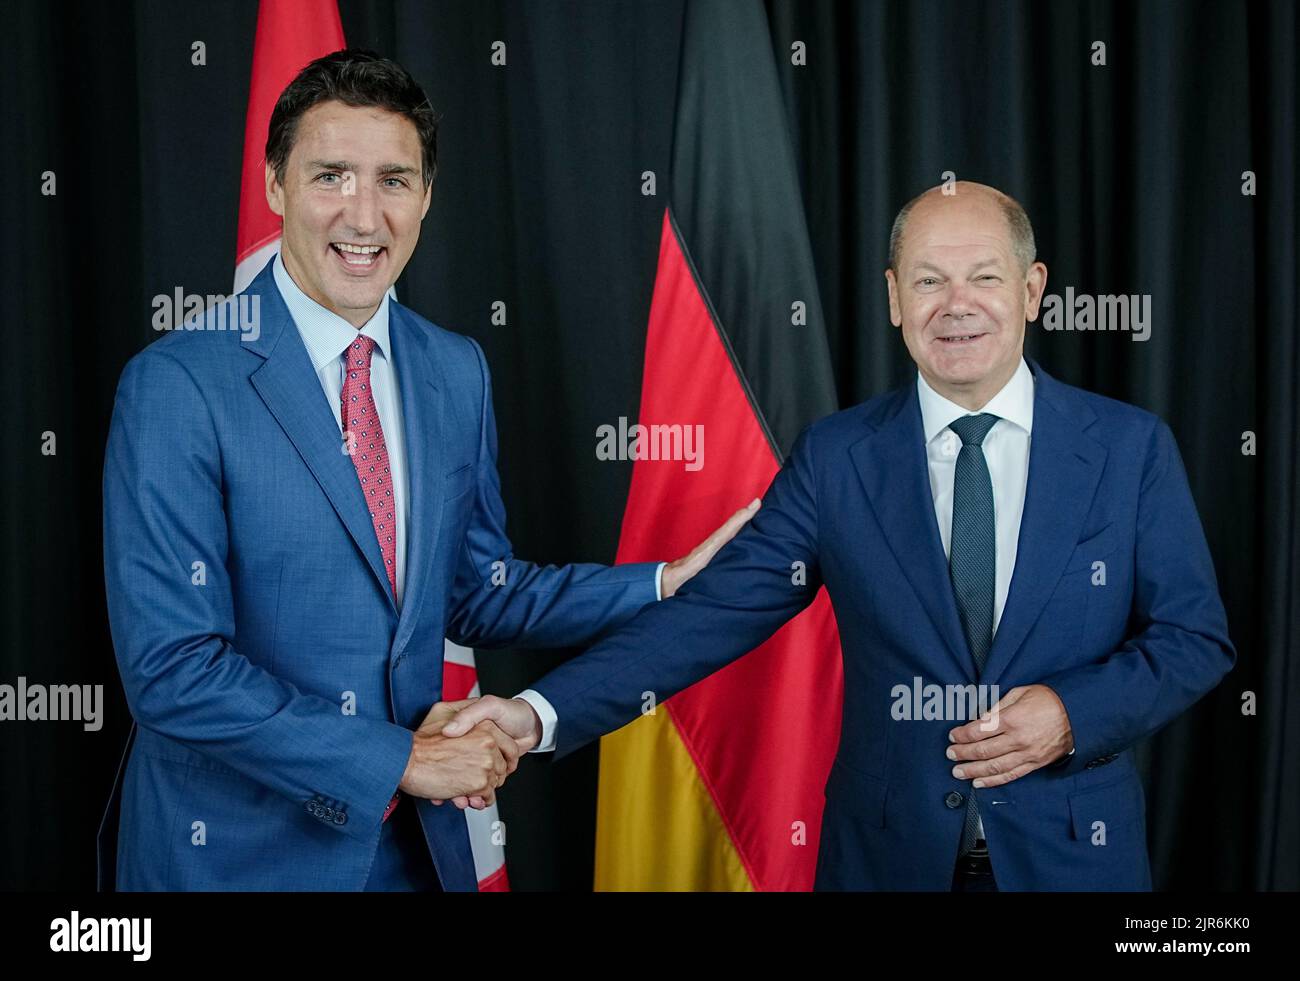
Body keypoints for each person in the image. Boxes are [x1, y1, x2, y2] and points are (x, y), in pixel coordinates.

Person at [441, 181, 1236, 891]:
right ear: (894, 297)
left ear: (1031, 290)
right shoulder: (836, 456)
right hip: (887, 857)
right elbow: (707, 616)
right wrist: (536, 712)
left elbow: (1194, 638)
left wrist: (1071, 710)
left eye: (983, 277)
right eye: (928, 280)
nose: (955, 304)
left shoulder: (1130, 448)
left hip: (1074, 859)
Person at [99, 49, 751, 892]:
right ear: (274, 186)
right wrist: (399, 757)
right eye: (330, 175)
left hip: (412, 857)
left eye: (393, 180)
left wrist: (660, 582)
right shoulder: (178, 382)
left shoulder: (453, 368)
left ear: (427, 196)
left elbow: (477, 588)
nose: (363, 214)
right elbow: (173, 672)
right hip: (231, 859)